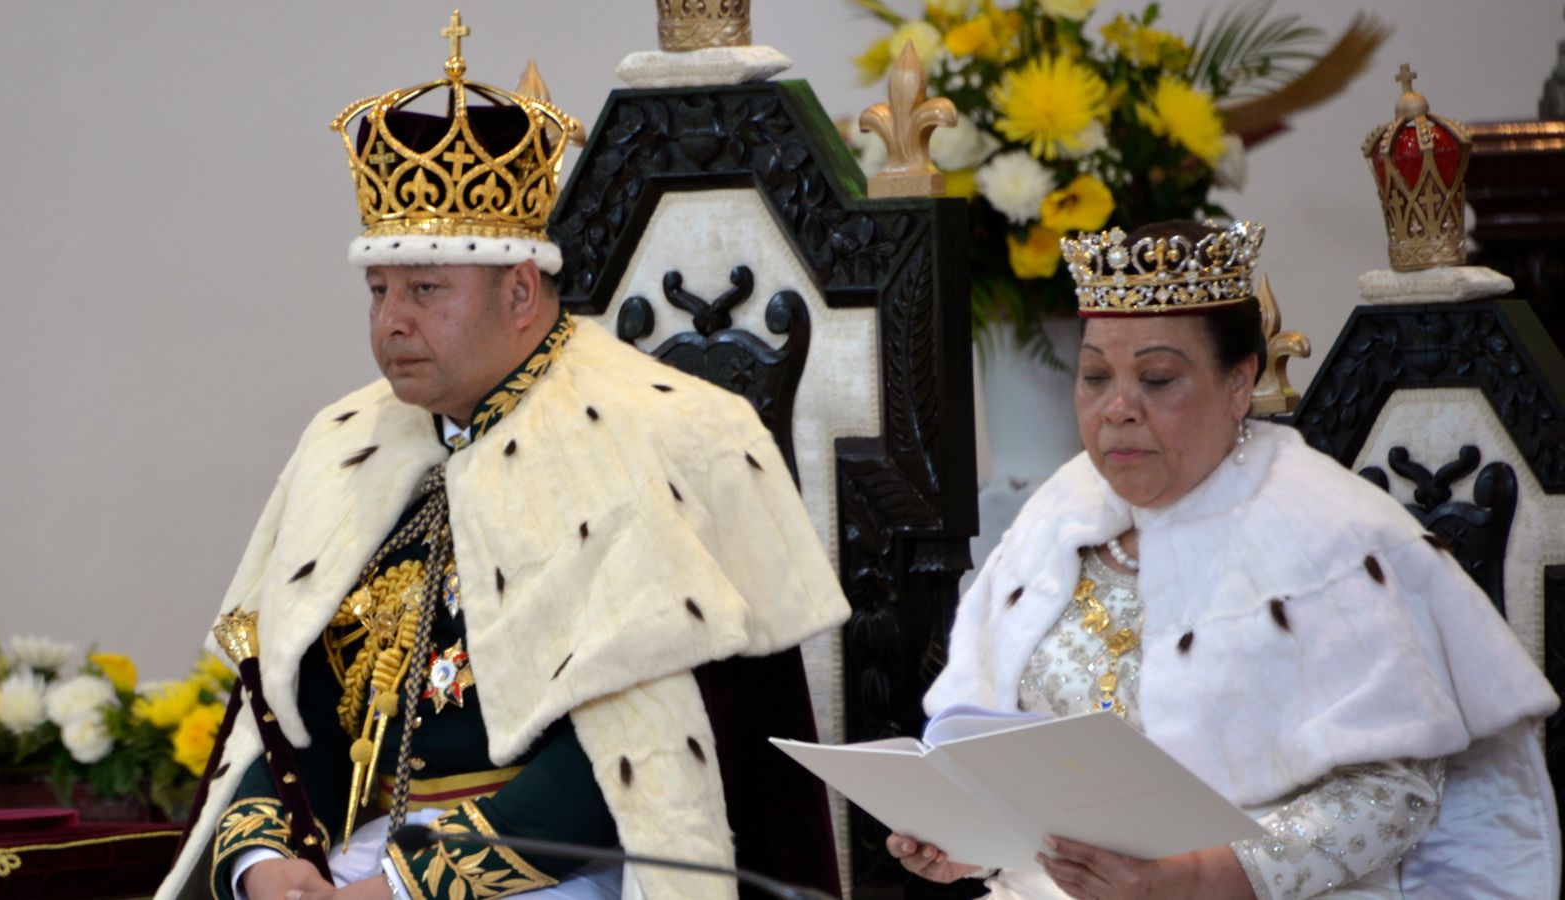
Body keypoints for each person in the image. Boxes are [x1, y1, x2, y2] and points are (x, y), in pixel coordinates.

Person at [155, 15, 847, 900]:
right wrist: (267, 867)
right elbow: (296, 712)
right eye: (378, 291)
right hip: (360, 868)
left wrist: (406, 887)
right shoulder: (349, 443)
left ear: (522, 291)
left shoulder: (660, 436)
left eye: (426, 290)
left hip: (564, 876)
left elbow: (631, 749)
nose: (390, 323)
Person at [888, 220, 1559, 899]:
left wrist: (1195, 878)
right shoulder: (1055, 513)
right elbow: (1001, 745)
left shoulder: (1330, 531)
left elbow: (1396, 794)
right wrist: (967, 838)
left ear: (1240, 383)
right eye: (1094, 376)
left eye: (1157, 379)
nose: (1118, 409)